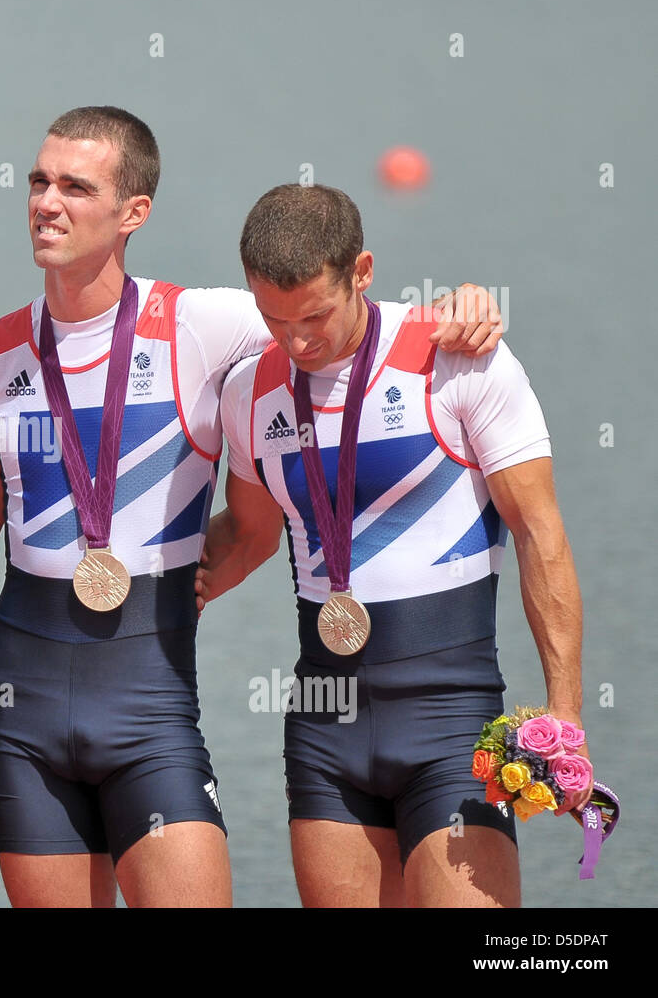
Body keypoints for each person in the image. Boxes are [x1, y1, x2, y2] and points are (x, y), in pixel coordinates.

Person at [0, 108, 505, 907]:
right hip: (24, 717)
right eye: (40, 182)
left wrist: (458, 307)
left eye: (75, 186)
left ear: (134, 212)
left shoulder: (204, 325)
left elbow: (333, 316)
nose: (47, 202)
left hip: (152, 717)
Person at [198, 182, 587, 907]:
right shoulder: (251, 391)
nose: (297, 342)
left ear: (363, 270)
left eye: (314, 314)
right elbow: (248, 533)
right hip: (324, 721)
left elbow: (541, 535)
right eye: (274, 320)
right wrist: (148, 593)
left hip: (452, 722)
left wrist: (564, 712)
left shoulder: (457, 359)